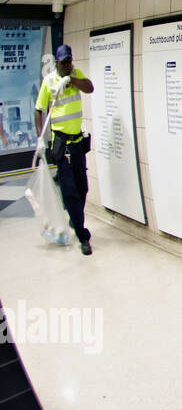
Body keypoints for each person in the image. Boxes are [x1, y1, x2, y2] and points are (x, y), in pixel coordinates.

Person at [34, 44, 95, 255]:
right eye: (63, 62)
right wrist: (41, 137)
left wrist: (71, 80)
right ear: (57, 63)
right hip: (62, 144)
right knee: (69, 192)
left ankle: (74, 216)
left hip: (77, 143)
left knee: (82, 188)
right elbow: (39, 109)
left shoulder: (75, 75)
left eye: (69, 61)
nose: (67, 65)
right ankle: (82, 234)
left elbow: (90, 87)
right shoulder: (48, 82)